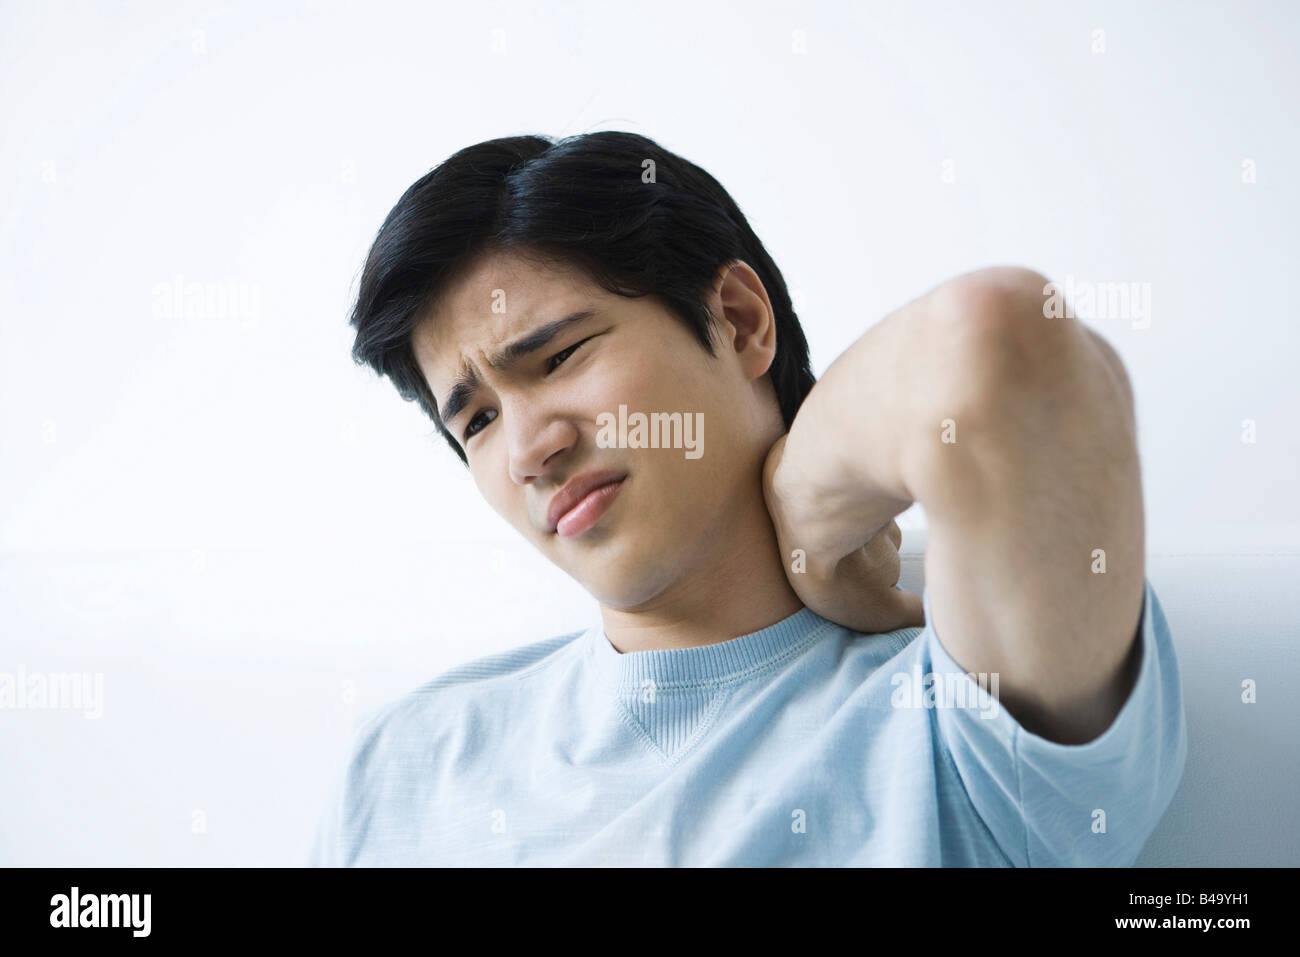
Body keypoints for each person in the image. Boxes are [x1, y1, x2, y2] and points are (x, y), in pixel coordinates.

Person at [309, 131, 1186, 866]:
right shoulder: (409, 761)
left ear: (738, 319)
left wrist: (808, 511)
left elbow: (997, 344)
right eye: (480, 421)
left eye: (560, 357)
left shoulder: (955, 725)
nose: (533, 449)